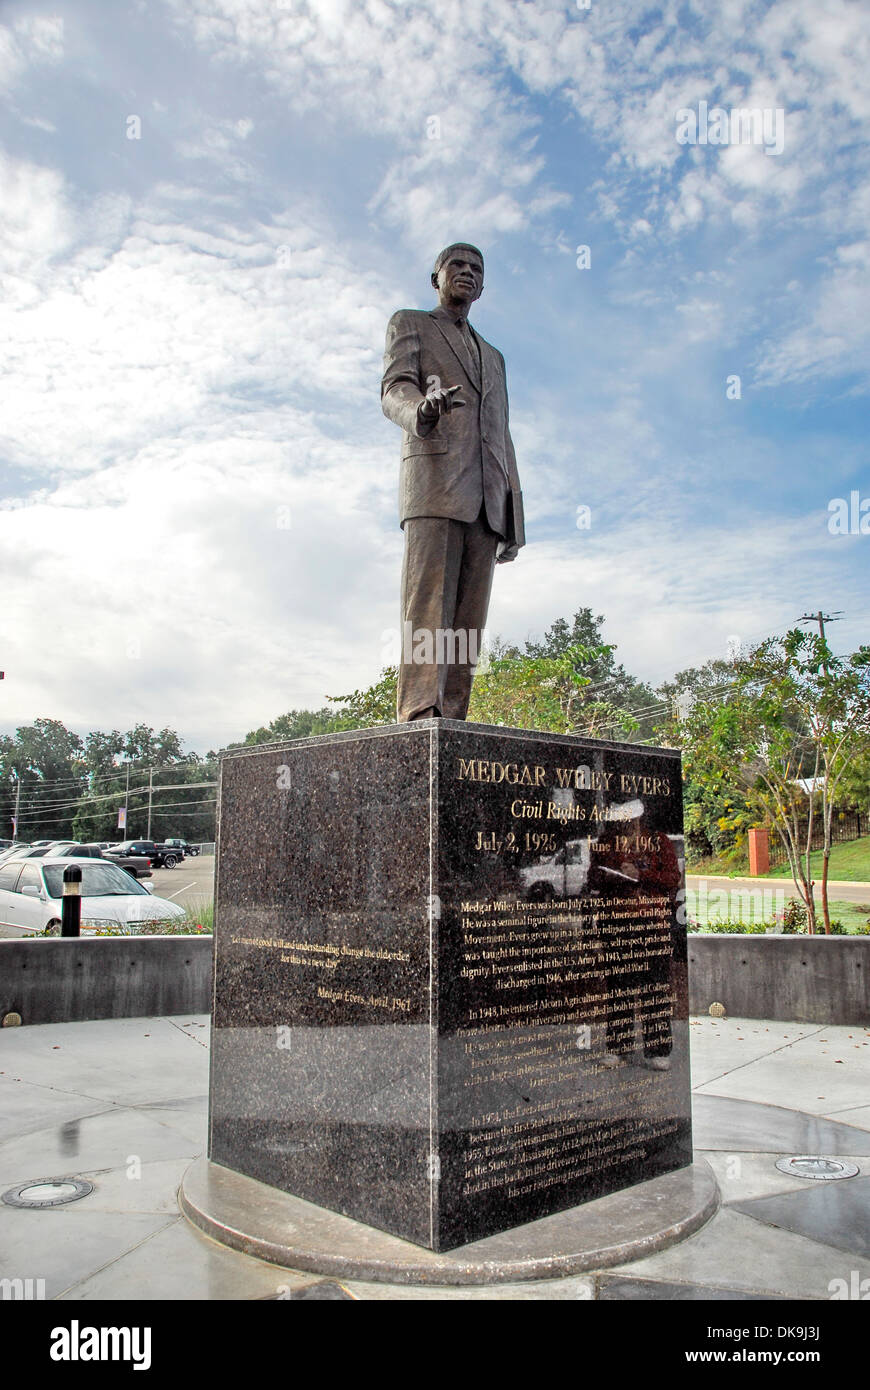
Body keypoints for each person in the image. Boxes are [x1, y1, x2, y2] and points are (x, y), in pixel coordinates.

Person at [381, 243, 525, 722]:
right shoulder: (412, 323)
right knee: (429, 609)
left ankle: (454, 719)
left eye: (476, 269)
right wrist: (421, 409)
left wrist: (513, 516)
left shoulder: (496, 357)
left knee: (468, 625)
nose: (467, 273)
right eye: (457, 266)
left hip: (487, 500)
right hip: (434, 484)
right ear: (435, 278)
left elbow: (501, 432)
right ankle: (421, 712)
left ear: (483, 286)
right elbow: (394, 388)